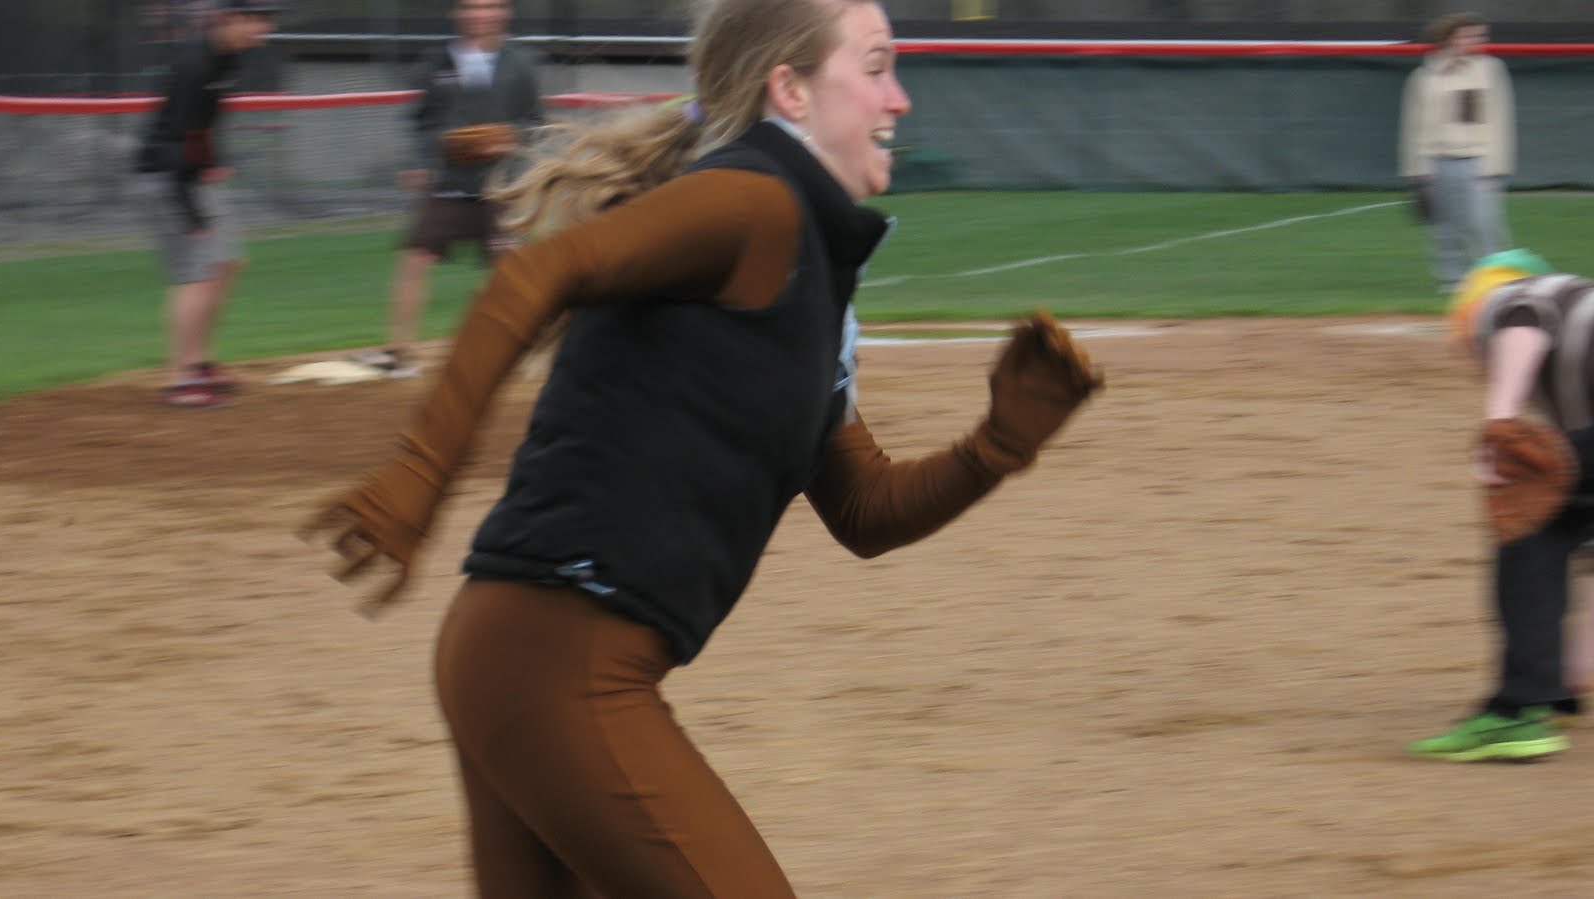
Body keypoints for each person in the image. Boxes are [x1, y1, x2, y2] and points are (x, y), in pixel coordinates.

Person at [303, 0, 1103, 893]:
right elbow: (541, 271)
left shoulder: (810, 273)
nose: (901, 98)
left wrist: (998, 443)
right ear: (789, 90)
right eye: (876, 65)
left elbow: (866, 508)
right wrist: (419, 473)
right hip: (559, 661)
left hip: (523, 653)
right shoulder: (751, 201)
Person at [1409, 249, 1594, 762]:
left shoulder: (1509, 297)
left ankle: (1517, 713)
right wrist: (1576, 673)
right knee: (1561, 519)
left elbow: (1525, 317)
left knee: (1527, 523)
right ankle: (1541, 688)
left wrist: (1501, 424)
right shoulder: (1572, 385)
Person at [355, 0, 544, 379]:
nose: (480, 14)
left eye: (489, 7)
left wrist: (511, 138)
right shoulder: (437, 61)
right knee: (416, 257)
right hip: (449, 183)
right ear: (459, 14)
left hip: (500, 184)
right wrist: (424, 161)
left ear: (503, 12)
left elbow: (534, 121)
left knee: (510, 268)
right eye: (471, 7)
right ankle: (400, 351)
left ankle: (521, 349)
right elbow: (422, 121)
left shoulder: (520, 64)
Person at [131, 0, 278, 407]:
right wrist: (191, 212)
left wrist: (214, 160)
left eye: (265, 21)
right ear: (227, 18)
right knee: (195, 275)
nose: (260, 30)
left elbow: (204, 126)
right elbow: (177, 136)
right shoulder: (195, 63)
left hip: (193, 175)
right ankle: (180, 379)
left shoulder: (228, 58)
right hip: (165, 179)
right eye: (252, 20)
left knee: (227, 263)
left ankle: (198, 362)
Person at [1399, 12, 1515, 294]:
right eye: (1470, 35)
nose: (1478, 41)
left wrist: (1496, 166)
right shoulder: (1424, 75)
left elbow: (1501, 119)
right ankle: (1452, 281)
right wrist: (1416, 168)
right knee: (1445, 229)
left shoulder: (1490, 69)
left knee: (1485, 223)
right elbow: (1412, 125)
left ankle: (1495, 279)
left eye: (1480, 36)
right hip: (1437, 161)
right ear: (1449, 38)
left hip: (1478, 159)